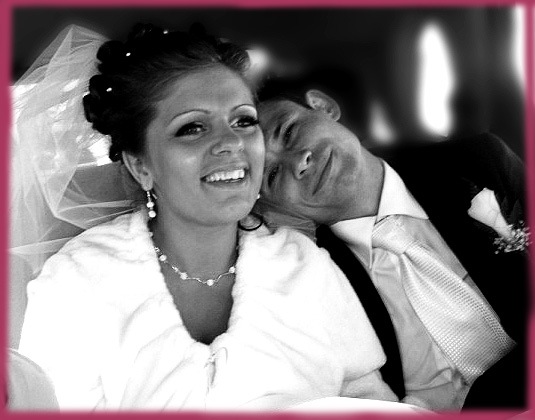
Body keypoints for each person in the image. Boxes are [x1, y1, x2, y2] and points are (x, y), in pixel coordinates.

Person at [14, 23, 411, 411]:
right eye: (192, 128)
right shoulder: (73, 285)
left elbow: (369, 398)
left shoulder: (305, 264)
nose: (232, 143)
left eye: (244, 121)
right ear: (141, 166)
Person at [255, 77, 529, 410]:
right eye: (271, 175)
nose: (298, 162)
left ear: (324, 107)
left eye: (288, 132)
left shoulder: (476, 162)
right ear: (270, 206)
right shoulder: (316, 282)